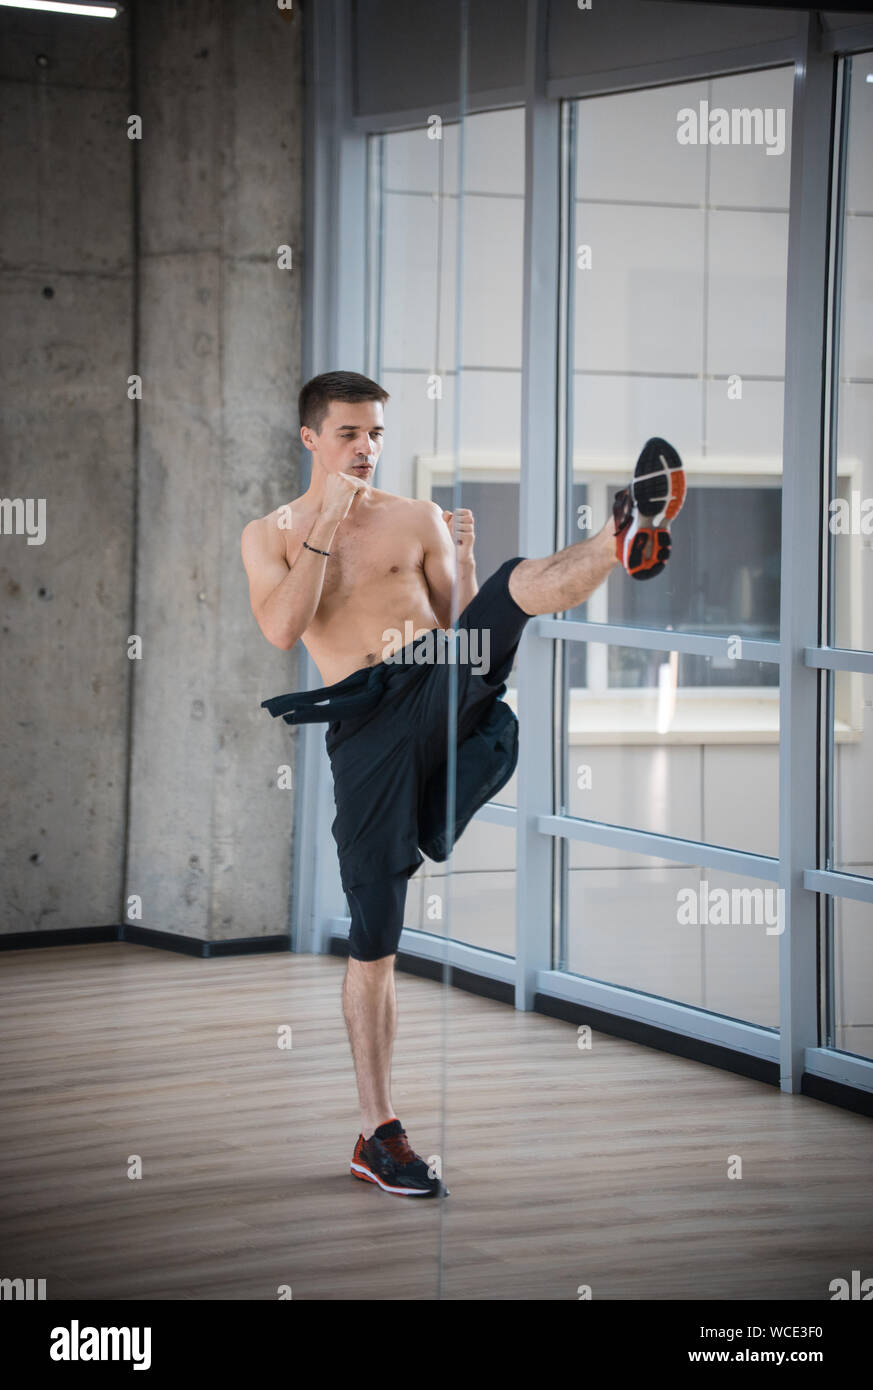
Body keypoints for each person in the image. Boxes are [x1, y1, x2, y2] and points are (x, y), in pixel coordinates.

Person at [241, 370, 685, 1199]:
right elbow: (280, 627)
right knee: (375, 931)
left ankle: (620, 535)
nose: (367, 447)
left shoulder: (413, 518)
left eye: (375, 432)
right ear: (310, 439)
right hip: (365, 722)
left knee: (512, 587)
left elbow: (461, 621)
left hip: (436, 671)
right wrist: (329, 522)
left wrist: (470, 560)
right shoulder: (269, 533)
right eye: (348, 433)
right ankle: (377, 1131)